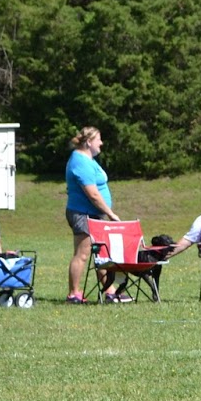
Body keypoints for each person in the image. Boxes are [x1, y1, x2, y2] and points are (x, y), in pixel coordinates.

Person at [63, 126, 122, 303]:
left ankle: (109, 291)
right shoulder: (80, 162)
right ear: (89, 142)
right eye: (98, 140)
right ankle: (74, 294)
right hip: (83, 214)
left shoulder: (89, 160)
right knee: (82, 254)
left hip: (94, 215)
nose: (101, 143)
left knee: (102, 255)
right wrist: (111, 214)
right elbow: (93, 194)